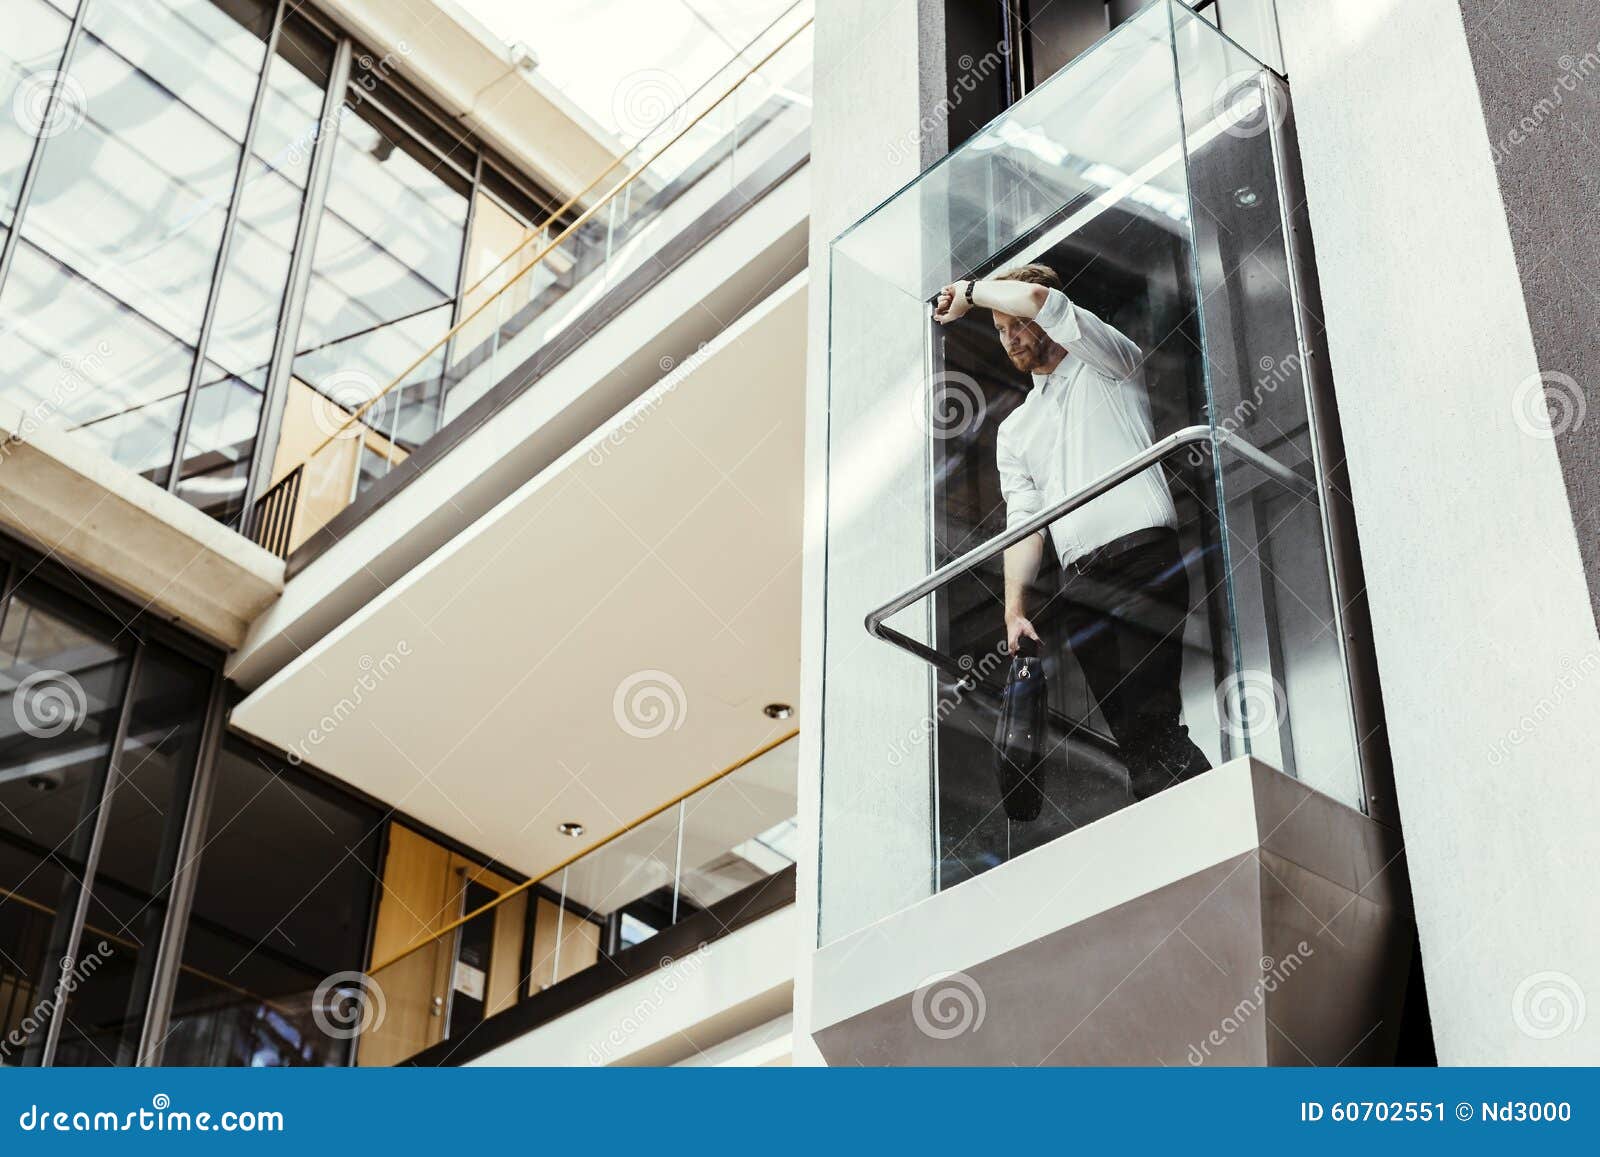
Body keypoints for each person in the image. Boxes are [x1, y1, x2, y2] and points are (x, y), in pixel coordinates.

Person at [933, 264, 1210, 800]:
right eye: (1000, 330)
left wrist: (968, 293)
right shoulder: (1015, 430)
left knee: (1152, 722)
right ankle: (1197, 820)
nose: (1010, 338)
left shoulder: (1108, 361)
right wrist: (1014, 609)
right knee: (1135, 738)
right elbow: (1024, 523)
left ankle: (1217, 820)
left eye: (1016, 323)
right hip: (1082, 586)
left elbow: (1040, 299)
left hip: (1144, 558)